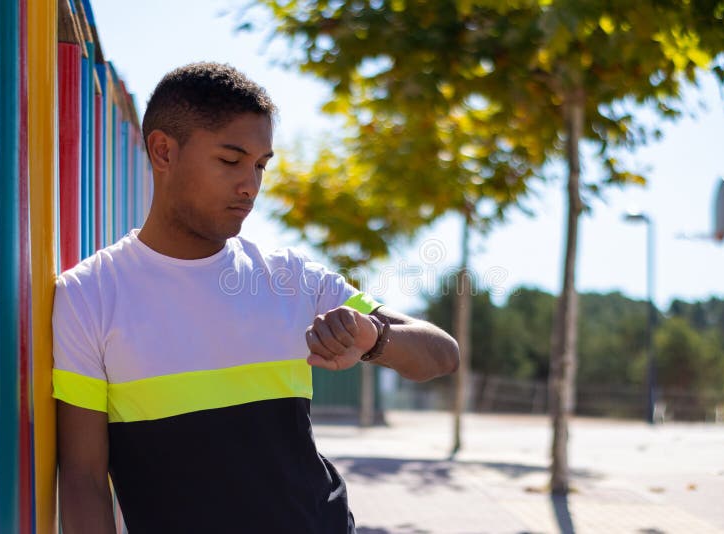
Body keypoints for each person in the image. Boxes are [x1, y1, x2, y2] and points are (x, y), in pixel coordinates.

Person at [53, 62, 459, 534]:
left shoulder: (291, 276)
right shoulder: (89, 296)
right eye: (230, 160)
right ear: (163, 151)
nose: (250, 186)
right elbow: (82, 478)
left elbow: (441, 354)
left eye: (260, 165)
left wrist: (371, 338)